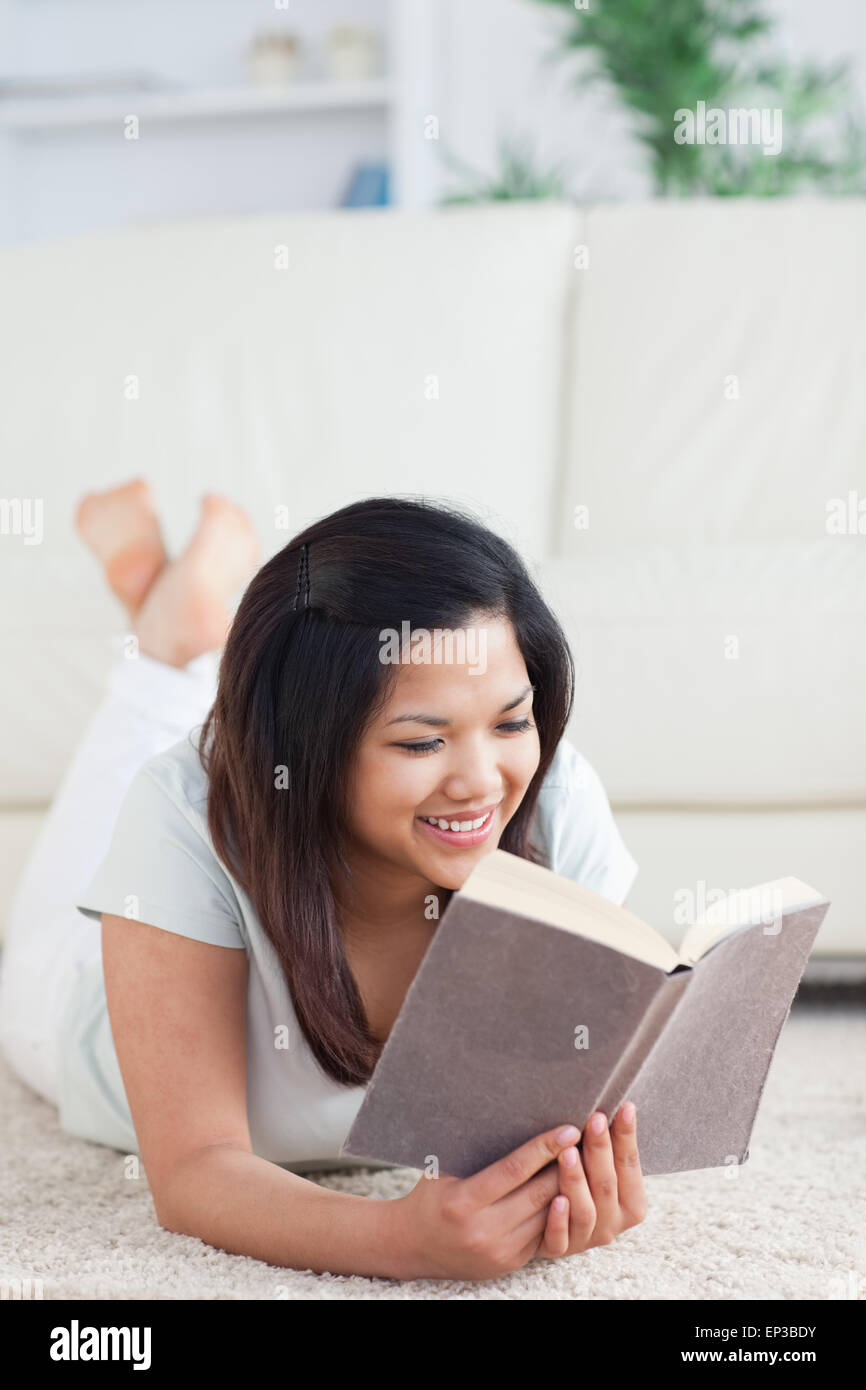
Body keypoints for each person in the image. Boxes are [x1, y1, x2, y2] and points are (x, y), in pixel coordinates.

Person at [0, 480, 647, 1282]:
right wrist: (402, 1241)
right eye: (421, 743)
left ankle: (178, 623)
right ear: (305, 751)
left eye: (511, 721)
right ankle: (170, 647)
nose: (483, 782)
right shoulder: (182, 812)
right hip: (69, 1000)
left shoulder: (554, 799)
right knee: (143, 748)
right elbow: (194, 1170)